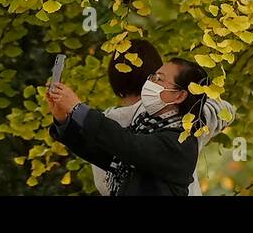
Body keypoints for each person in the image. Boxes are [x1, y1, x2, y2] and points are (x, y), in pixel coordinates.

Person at [47, 57, 211, 196]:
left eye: (159, 79)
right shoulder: (144, 126)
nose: (151, 82)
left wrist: (77, 108)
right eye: (153, 76)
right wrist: (63, 118)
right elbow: (103, 151)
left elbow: (127, 144)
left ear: (180, 95)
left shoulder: (181, 142)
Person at [93, 40, 233, 196]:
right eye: (156, 76)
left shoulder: (102, 127)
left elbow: (103, 186)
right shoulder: (182, 122)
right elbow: (227, 110)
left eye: (159, 77)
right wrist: (194, 102)